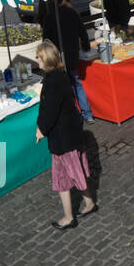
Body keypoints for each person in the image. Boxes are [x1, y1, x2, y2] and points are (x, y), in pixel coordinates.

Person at [34, 41, 97, 229]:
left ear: (46, 59)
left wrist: (41, 130)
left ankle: (87, 204)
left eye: (38, 57)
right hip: (65, 137)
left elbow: (50, 111)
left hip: (64, 139)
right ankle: (72, 214)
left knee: (73, 173)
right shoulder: (60, 77)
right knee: (62, 177)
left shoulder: (53, 82)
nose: (36, 60)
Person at [41, 0, 95, 123]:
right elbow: (82, 31)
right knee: (77, 84)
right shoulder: (71, 13)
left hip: (58, 58)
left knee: (67, 87)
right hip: (72, 55)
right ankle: (87, 114)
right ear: (63, 0)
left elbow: (45, 41)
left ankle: (75, 116)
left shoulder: (49, 18)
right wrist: (86, 46)